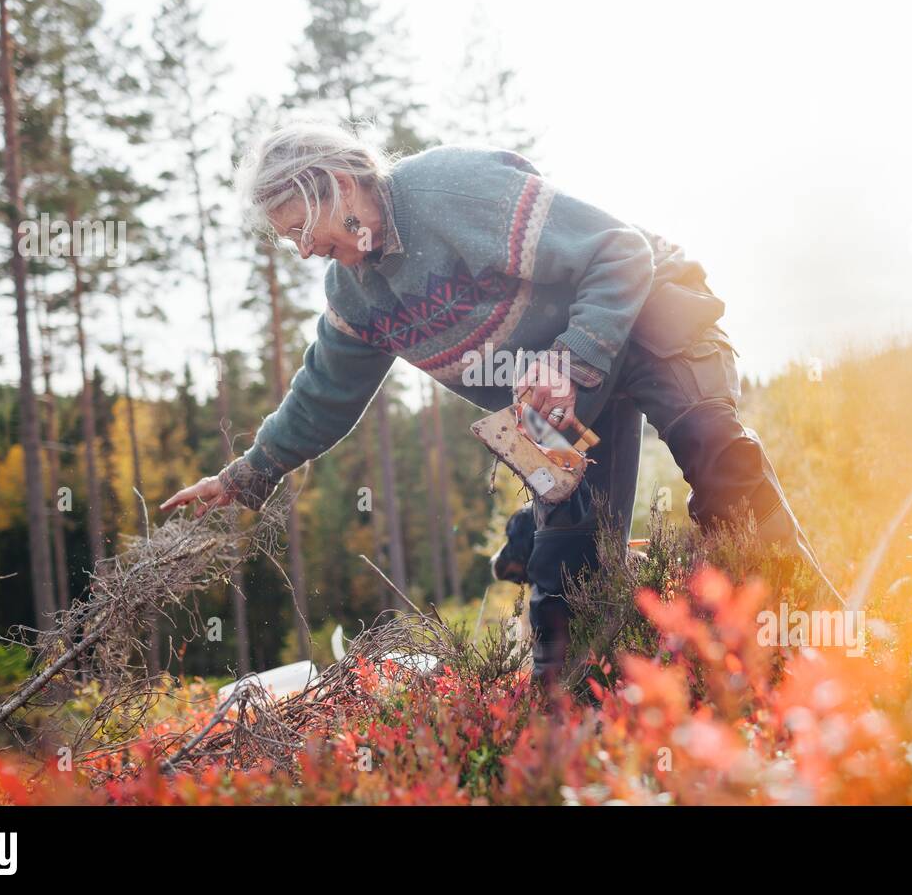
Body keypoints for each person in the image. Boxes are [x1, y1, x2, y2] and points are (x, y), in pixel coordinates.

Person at [160, 121, 830, 683]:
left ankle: (824, 648)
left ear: (337, 183)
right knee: (564, 567)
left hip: (647, 305)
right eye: (288, 241)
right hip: (550, 391)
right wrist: (243, 475)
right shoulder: (355, 293)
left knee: (720, 463)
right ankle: (582, 718)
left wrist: (575, 356)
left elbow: (618, 251)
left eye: (301, 226)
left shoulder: (449, 189)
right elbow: (321, 396)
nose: (305, 250)